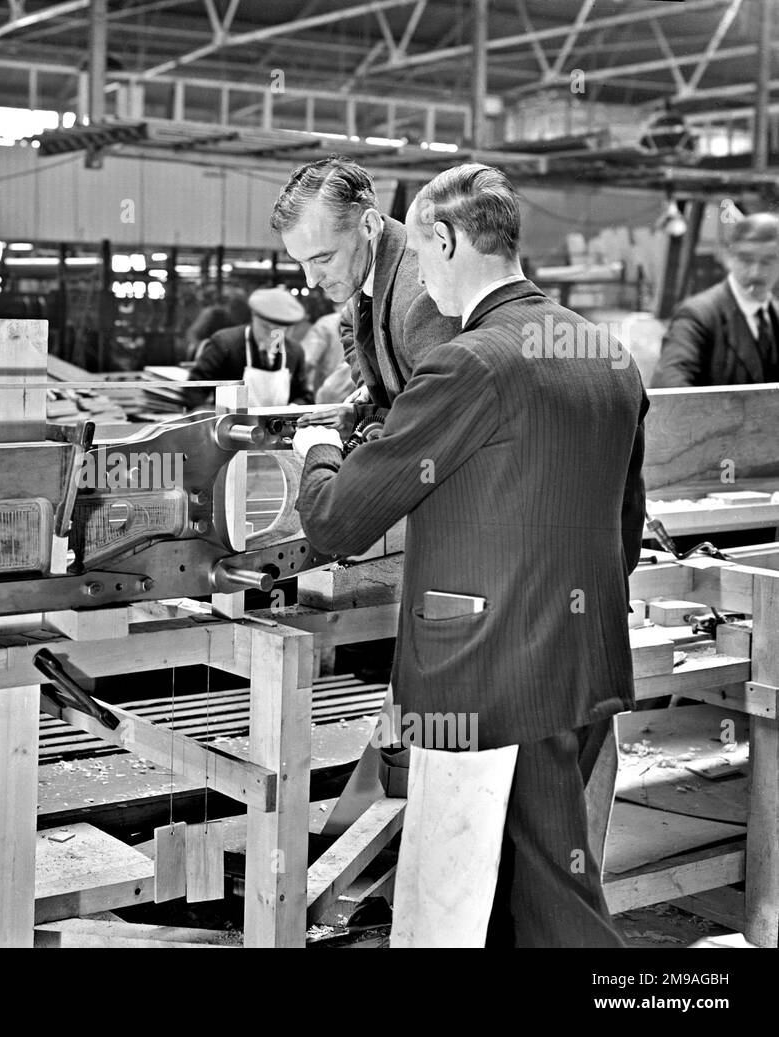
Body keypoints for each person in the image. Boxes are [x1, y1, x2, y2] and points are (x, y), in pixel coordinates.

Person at [292, 163, 648, 947]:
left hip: (491, 685)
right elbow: (626, 527)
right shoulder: (610, 356)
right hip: (583, 666)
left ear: (447, 241)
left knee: (546, 908)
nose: (419, 281)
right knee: (532, 891)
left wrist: (318, 448)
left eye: (419, 260)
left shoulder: (467, 361)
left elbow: (340, 524)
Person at [272, 156, 460, 412]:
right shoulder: (366, 274)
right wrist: (371, 388)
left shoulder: (422, 293)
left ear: (368, 226)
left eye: (323, 258)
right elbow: (350, 325)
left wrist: (371, 419)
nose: (312, 280)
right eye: (301, 263)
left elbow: (439, 417)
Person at [652, 212, 779, 386]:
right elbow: (670, 391)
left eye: (768, 261)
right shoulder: (697, 316)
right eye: (746, 260)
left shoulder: (775, 315)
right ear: (729, 257)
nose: (755, 272)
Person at [184, 286, 312, 408]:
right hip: (231, 428)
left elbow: (305, 396)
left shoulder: (295, 352)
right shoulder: (225, 343)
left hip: (277, 428)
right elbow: (194, 388)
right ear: (253, 317)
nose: (271, 336)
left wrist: (292, 409)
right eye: (265, 327)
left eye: (278, 330)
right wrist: (208, 418)